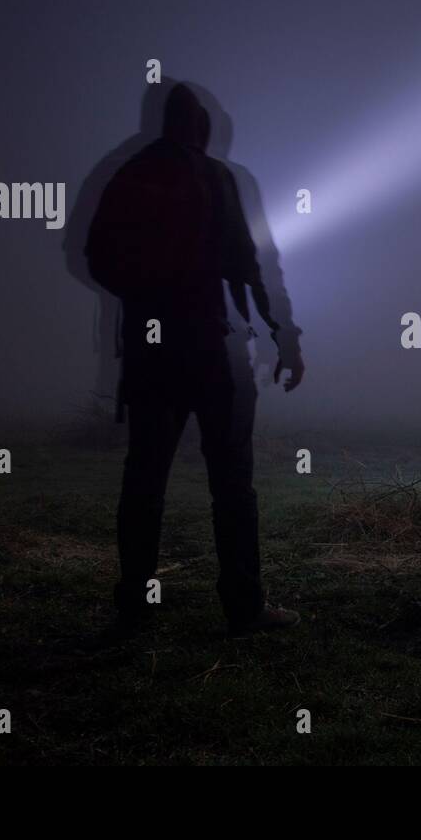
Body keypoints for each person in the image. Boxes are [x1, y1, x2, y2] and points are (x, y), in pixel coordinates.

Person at [85, 82, 304, 637]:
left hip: (152, 351)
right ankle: (244, 607)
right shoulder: (218, 178)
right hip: (215, 347)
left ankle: (133, 608)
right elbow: (253, 268)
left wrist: (145, 295)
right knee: (232, 484)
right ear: (204, 128)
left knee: (145, 480)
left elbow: (94, 257)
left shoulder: (130, 173)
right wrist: (284, 337)